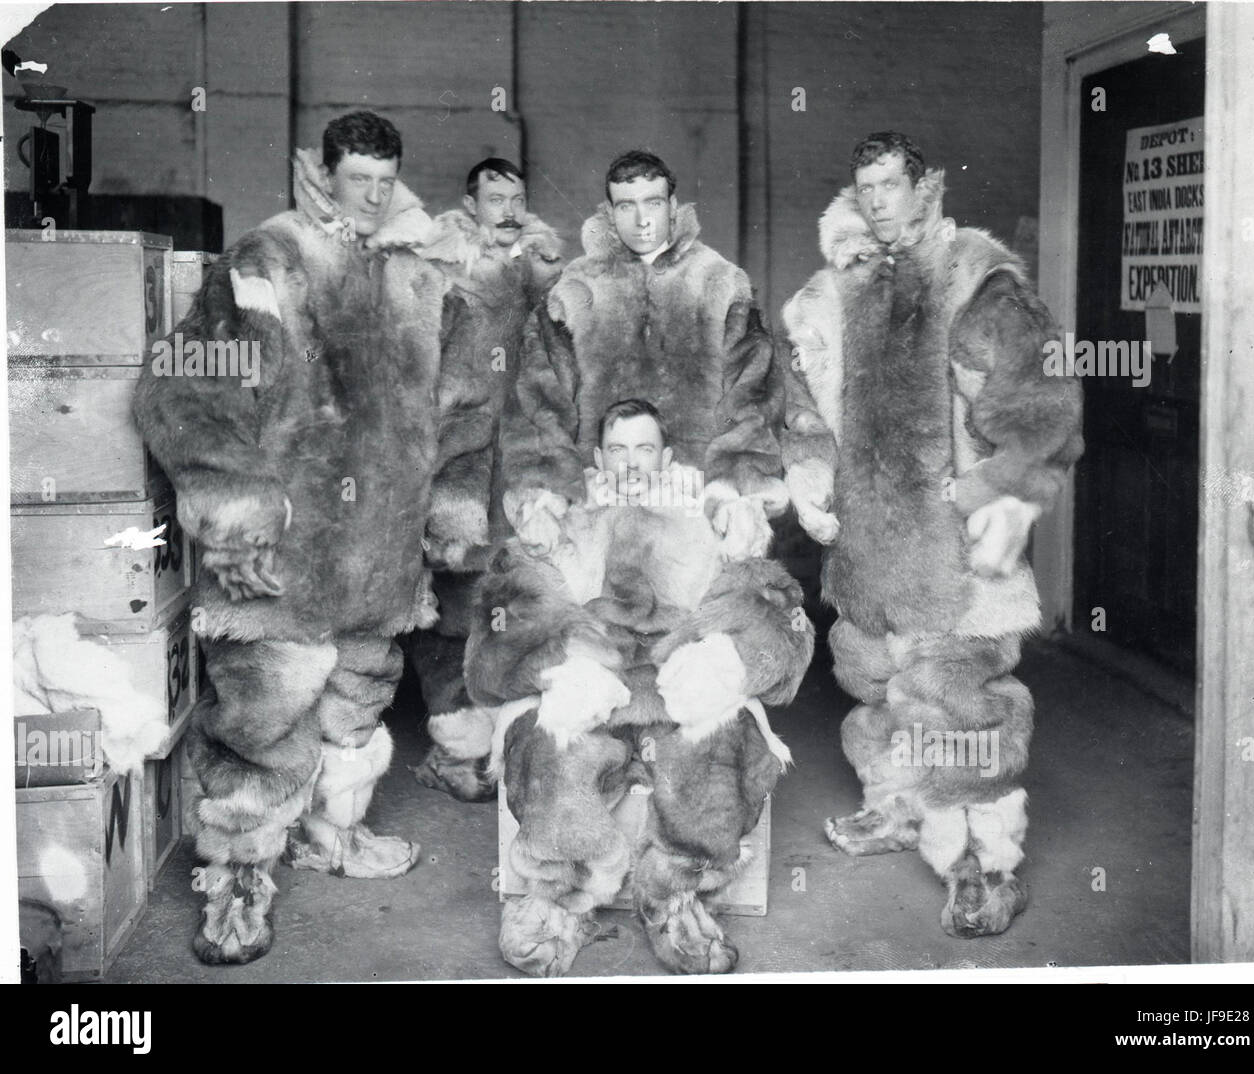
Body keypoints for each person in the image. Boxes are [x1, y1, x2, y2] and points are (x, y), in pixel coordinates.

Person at [134, 111, 488, 964]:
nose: (372, 194)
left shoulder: (426, 280)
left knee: (358, 702)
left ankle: (335, 835)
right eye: (357, 177)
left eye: (385, 178)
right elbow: (182, 388)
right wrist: (234, 511)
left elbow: (467, 409)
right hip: (277, 567)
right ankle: (238, 886)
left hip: (379, 557)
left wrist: (451, 507)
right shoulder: (266, 262)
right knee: (262, 724)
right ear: (324, 173)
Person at [419, 149, 792, 803]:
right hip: (596, 516)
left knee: (727, 642)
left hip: (691, 522)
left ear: (674, 208)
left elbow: (754, 397)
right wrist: (542, 493)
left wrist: (740, 488)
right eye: (627, 205)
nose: (642, 219)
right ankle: (586, 744)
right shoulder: (573, 294)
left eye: (654, 203)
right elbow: (538, 405)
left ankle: (683, 758)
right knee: (549, 627)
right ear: (609, 211)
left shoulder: (722, 286)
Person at [781, 131, 1083, 937]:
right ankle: (896, 811)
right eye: (866, 187)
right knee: (877, 686)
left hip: (960, 557)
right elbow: (804, 412)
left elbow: (1044, 409)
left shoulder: (979, 284)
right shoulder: (833, 292)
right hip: (870, 550)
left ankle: (985, 866)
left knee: (959, 706)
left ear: (929, 186)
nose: (878, 201)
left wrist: (988, 490)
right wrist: (814, 493)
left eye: (892, 185)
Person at [441, 398, 811, 976]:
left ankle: (675, 900)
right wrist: (559, 663)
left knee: (721, 743)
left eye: (644, 448)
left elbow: (785, 622)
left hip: (674, 697)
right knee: (548, 742)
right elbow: (491, 642)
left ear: (666, 457)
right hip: (594, 697)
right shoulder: (556, 525)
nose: (632, 463)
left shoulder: (710, 524)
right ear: (597, 457)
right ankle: (557, 904)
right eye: (618, 449)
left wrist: (725, 664)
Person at [392, 159, 565, 790]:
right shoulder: (441, 267)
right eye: (495, 197)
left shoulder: (543, 270)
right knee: (448, 602)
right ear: (471, 203)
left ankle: (510, 746)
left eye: (517, 197)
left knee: (515, 599)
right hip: (455, 459)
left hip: (516, 460)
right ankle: (455, 747)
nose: (508, 208)